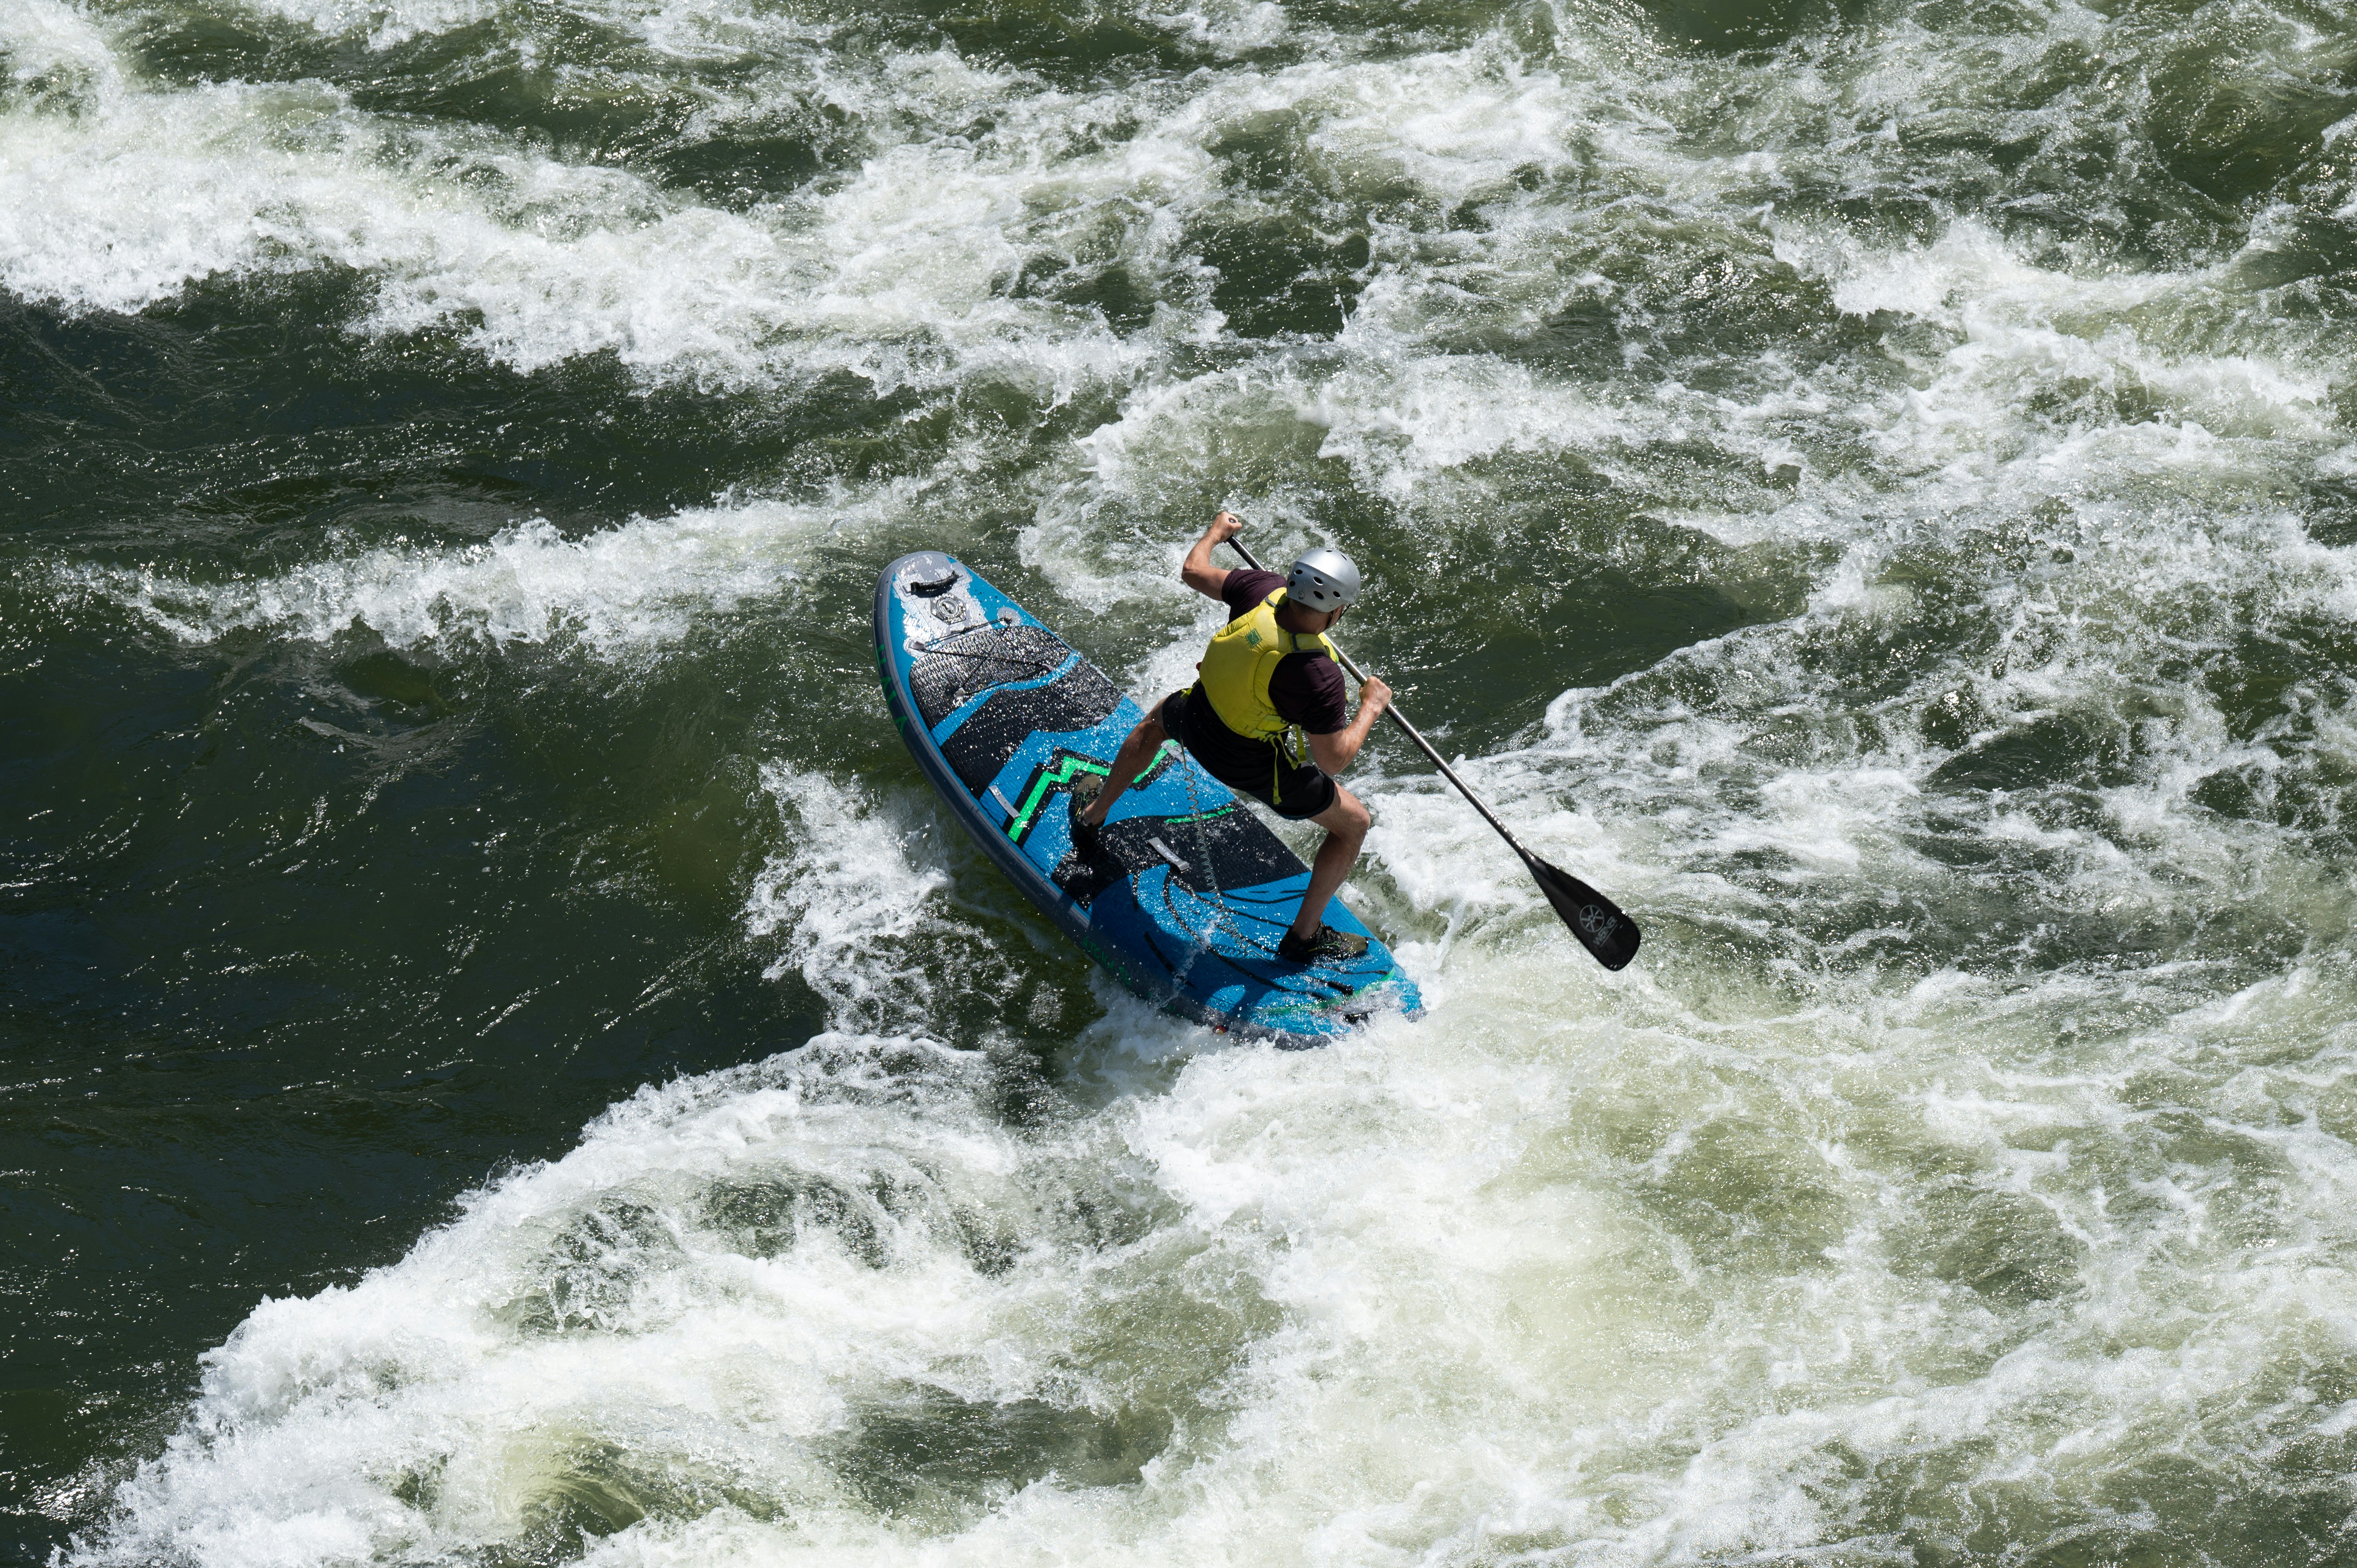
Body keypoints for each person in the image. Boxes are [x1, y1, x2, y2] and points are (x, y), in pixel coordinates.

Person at [1071, 510, 1391, 965]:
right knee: (1354, 824)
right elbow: (1333, 760)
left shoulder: (1261, 588)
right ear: (1336, 610)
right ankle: (1304, 938)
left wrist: (1216, 534)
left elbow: (1193, 570)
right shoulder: (1320, 675)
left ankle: (1093, 815)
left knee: (1154, 724)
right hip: (1249, 765)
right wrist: (1371, 707)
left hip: (1194, 720)